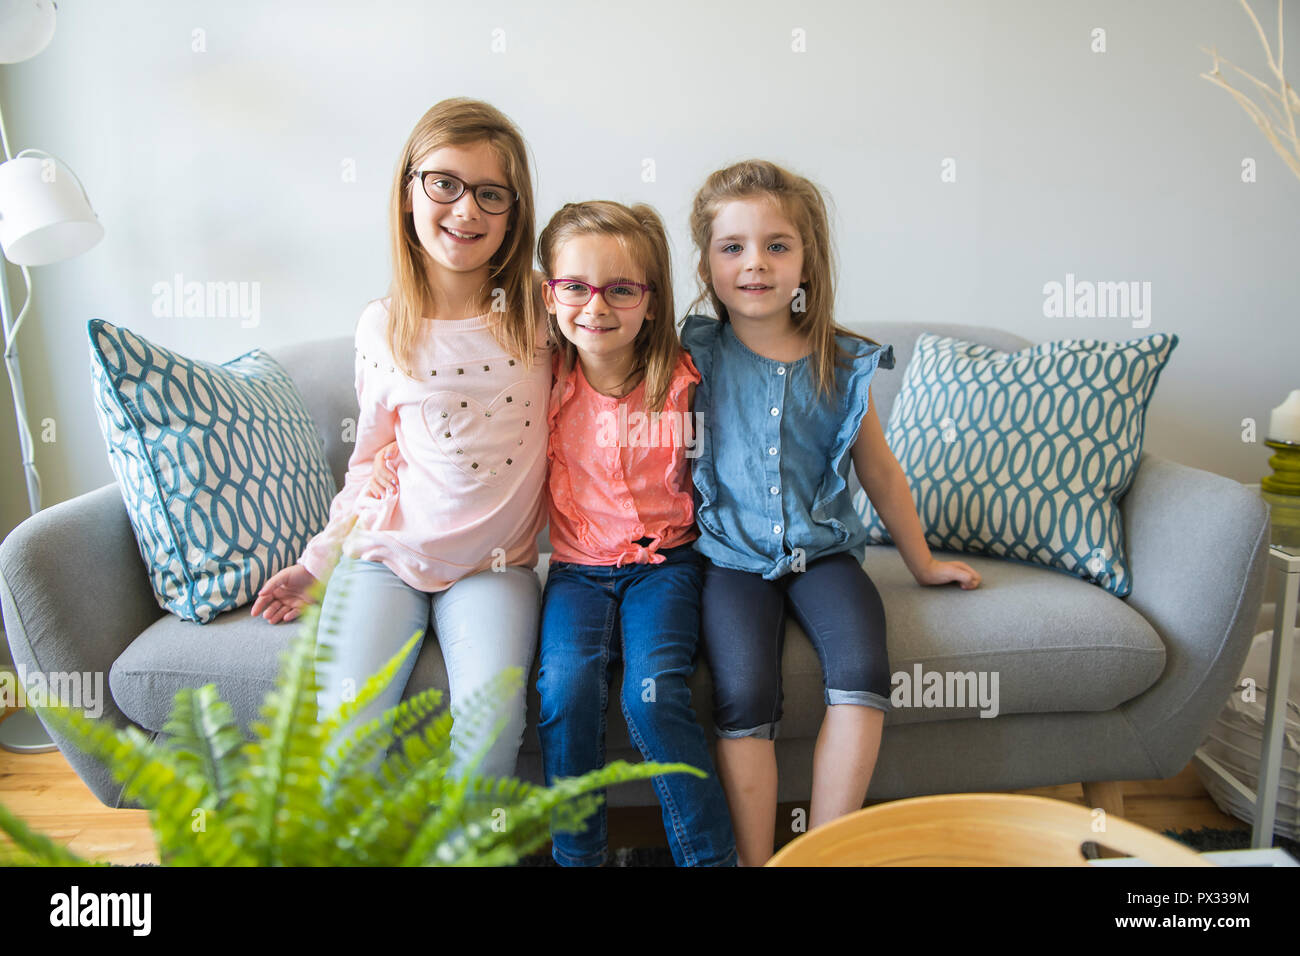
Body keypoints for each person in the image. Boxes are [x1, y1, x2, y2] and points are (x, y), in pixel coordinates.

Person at [681, 159, 982, 865]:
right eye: (733, 247)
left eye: (777, 245)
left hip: (827, 555)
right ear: (706, 263)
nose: (756, 263)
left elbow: (879, 471)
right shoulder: (694, 354)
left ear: (808, 259)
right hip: (731, 560)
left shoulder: (840, 361)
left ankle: (822, 854)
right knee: (743, 695)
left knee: (862, 672)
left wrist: (924, 562)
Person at [249, 97, 551, 781]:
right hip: (384, 554)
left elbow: (618, 361)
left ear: (514, 210)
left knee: (490, 737)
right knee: (343, 737)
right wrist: (317, 562)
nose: (466, 210)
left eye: (490, 194)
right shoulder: (382, 327)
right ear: (409, 190)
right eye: (444, 183)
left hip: (494, 568)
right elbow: (368, 463)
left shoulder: (543, 310)